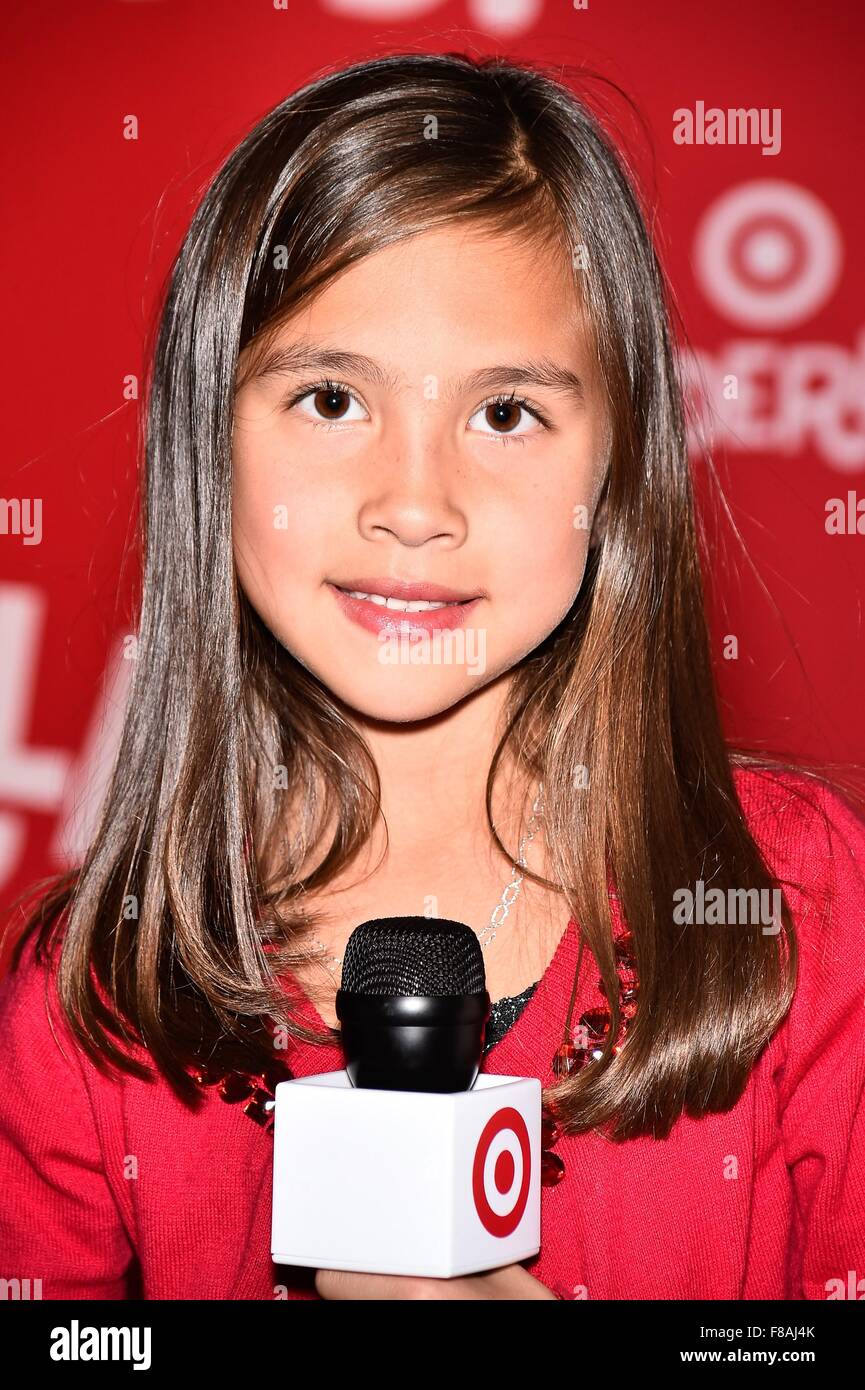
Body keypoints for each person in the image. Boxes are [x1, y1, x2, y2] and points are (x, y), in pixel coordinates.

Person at [1, 51, 863, 1302]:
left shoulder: (803, 911)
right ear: (209, 438)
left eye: (505, 414)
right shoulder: (95, 996)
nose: (414, 504)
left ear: (615, 474)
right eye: (331, 397)